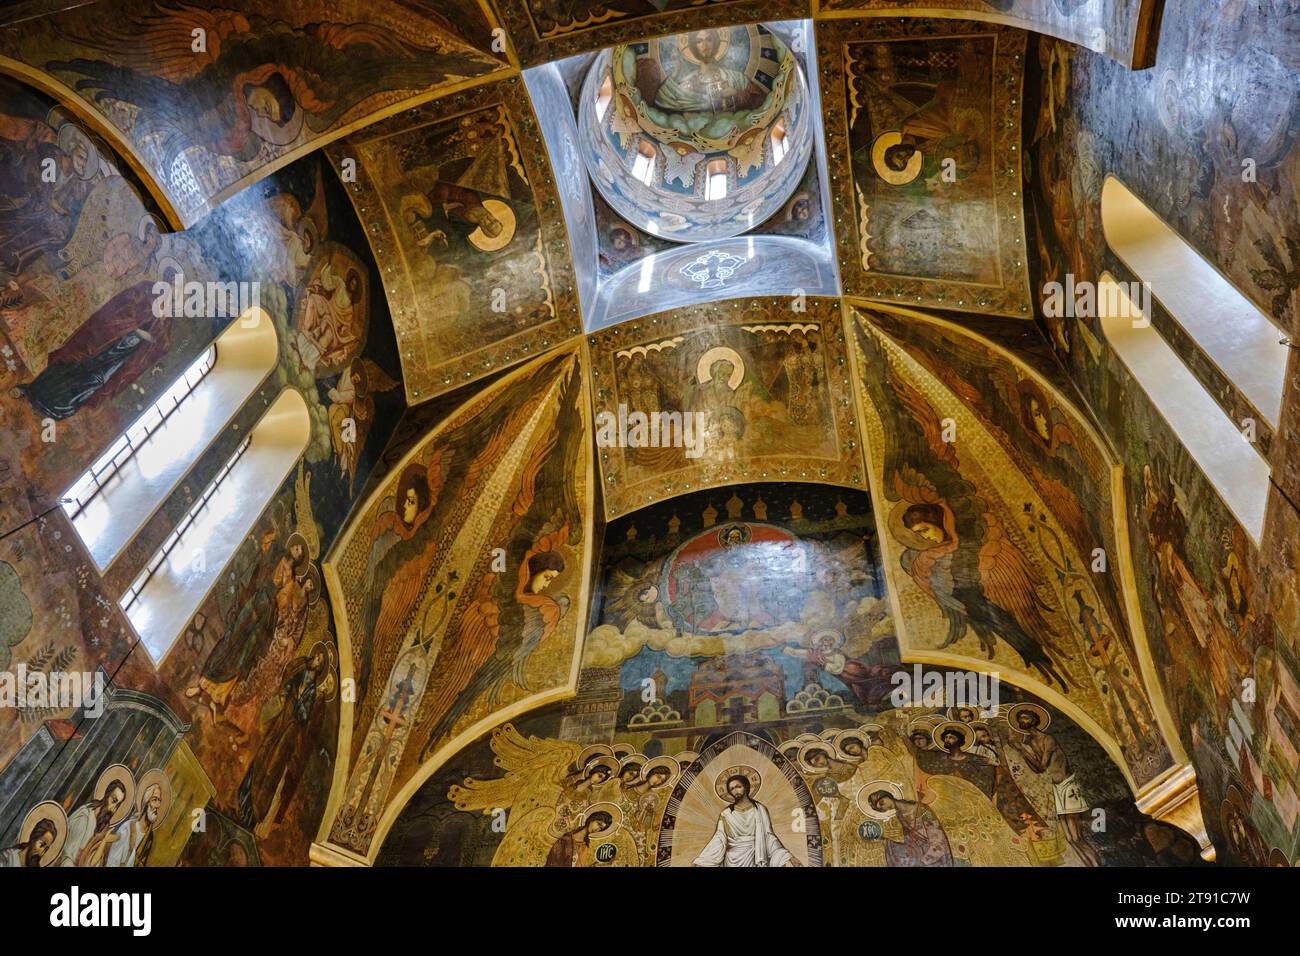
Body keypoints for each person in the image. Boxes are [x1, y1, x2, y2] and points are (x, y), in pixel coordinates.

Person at [693, 772, 800, 867]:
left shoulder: (759, 810)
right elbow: (719, 838)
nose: (735, 791)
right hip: (732, 860)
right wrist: (702, 861)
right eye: (732, 789)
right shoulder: (726, 814)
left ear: (746, 786)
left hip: (755, 856)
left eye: (738, 786)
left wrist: (788, 857)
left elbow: (768, 836)